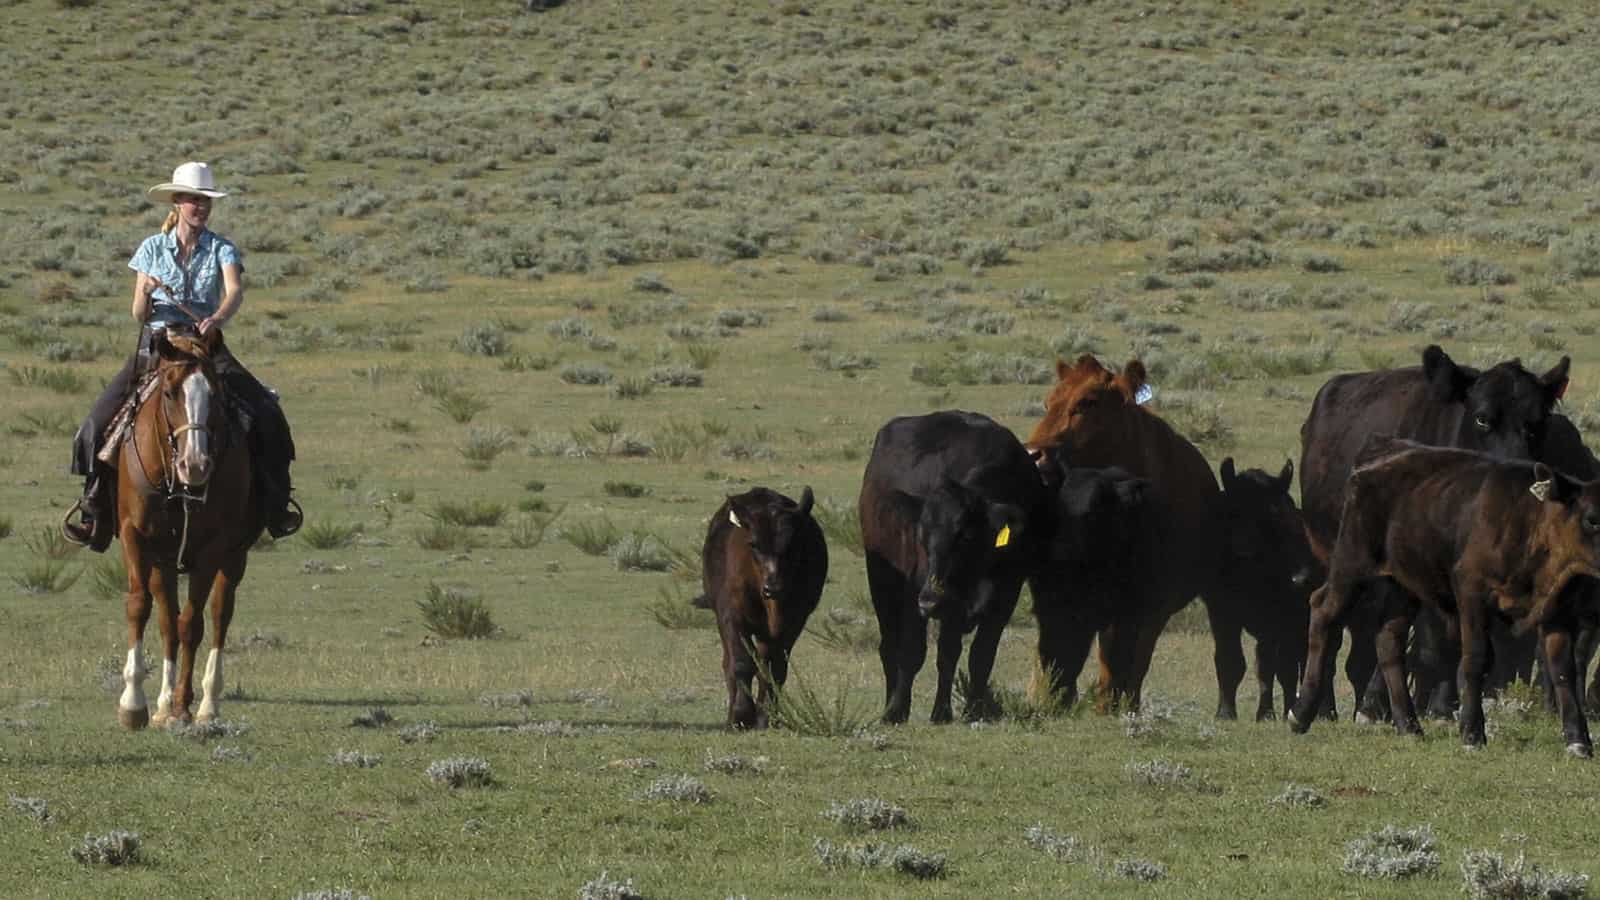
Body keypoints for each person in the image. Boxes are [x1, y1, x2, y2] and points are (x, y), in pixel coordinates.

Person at [63, 161, 302, 548]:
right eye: (193, 200)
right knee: (94, 425)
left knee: (268, 414)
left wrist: (218, 318)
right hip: (158, 345)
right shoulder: (151, 249)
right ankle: (94, 509)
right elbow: (139, 315)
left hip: (205, 346)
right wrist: (146, 292)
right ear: (177, 202)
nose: (200, 207)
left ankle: (276, 505)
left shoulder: (222, 247)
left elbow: (234, 291)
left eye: (205, 200)